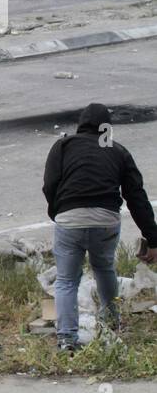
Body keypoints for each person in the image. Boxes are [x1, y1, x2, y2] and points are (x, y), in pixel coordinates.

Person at [43, 103, 157, 351]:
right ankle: (111, 323)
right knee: (105, 269)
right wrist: (153, 238)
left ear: (81, 124)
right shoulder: (118, 151)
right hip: (105, 221)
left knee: (66, 281)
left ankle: (66, 339)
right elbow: (136, 197)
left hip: (69, 220)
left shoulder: (63, 146)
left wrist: (58, 212)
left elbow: (50, 185)